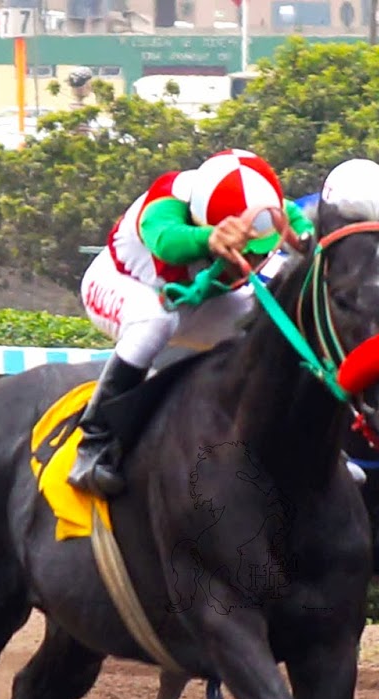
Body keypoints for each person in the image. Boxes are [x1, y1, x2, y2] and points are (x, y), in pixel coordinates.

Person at [70, 148, 312, 497]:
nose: (256, 260)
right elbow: (167, 242)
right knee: (155, 321)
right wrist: (208, 239)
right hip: (122, 285)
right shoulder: (165, 204)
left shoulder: (259, 204)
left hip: (194, 300)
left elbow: (296, 218)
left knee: (270, 326)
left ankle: (298, 440)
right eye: (248, 252)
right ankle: (95, 441)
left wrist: (307, 240)